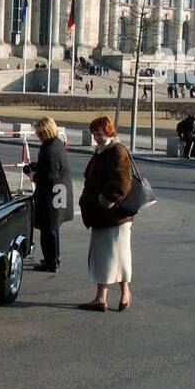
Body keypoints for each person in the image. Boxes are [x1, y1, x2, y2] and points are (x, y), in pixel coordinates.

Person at [78, 116, 133, 312]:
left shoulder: (116, 151)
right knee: (105, 257)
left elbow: (121, 182)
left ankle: (123, 293)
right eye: (94, 134)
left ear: (109, 132)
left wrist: (106, 200)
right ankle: (101, 297)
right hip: (102, 216)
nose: (96, 138)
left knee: (118, 256)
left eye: (99, 134)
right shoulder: (102, 151)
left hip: (115, 216)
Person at [22, 117, 73, 272]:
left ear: (46, 131)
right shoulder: (55, 143)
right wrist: (35, 166)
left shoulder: (50, 149)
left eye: (40, 132)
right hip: (60, 192)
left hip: (53, 194)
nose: (38, 135)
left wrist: (33, 176)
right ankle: (54, 258)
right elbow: (50, 167)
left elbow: (50, 175)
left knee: (48, 228)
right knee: (53, 228)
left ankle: (51, 262)